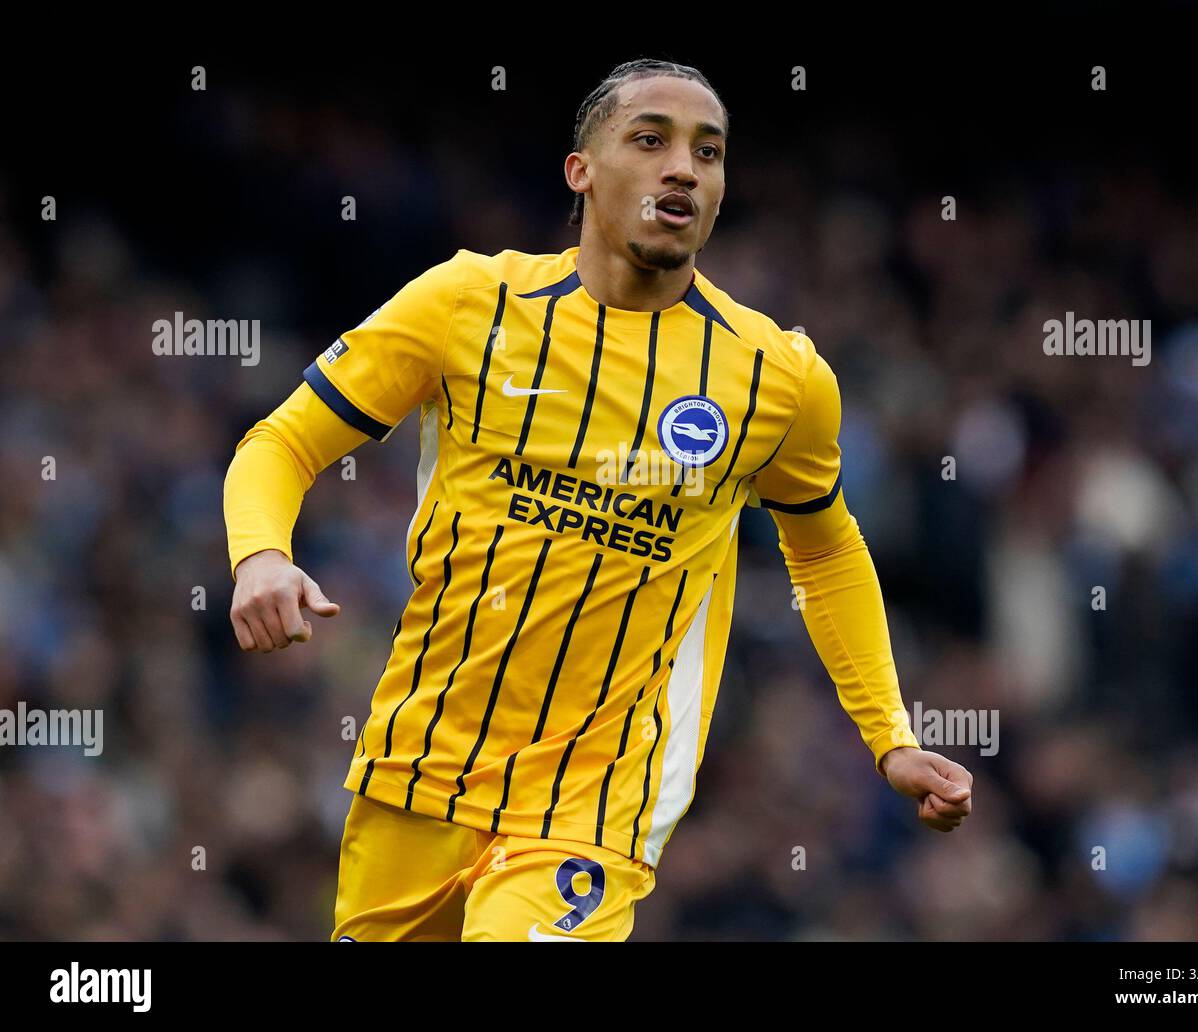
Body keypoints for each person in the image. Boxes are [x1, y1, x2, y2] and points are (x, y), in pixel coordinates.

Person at [223, 58, 972, 942]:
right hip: (417, 770)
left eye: (709, 152)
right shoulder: (470, 304)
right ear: (582, 172)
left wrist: (888, 732)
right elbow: (283, 441)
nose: (684, 168)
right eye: (650, 140)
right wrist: (261, 552)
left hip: (595, 803)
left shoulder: (780, 377)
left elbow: (825, 549)